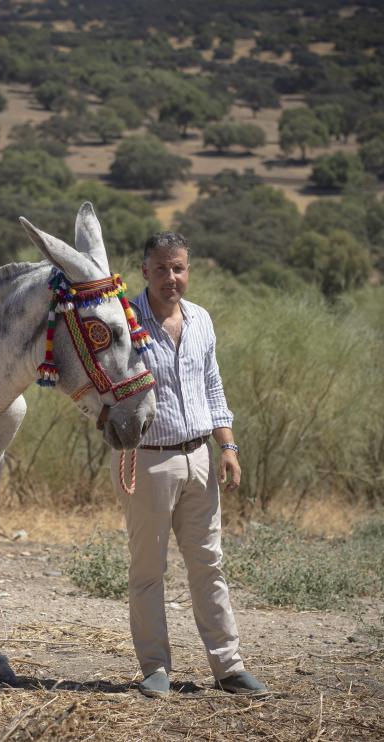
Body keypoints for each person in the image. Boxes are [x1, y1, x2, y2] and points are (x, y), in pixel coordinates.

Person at [111, 231, 269, 699]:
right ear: (144, 271)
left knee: (209, 564)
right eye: (160, 268)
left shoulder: (200, 319)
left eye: (178, 268)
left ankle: (228, 667)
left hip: (201, 456)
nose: (170, 278)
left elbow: (213, 386)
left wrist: (229, 447)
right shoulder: (124, 322)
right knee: (147, 569)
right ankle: (155, 668)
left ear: (188, 270)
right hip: (148, 461)